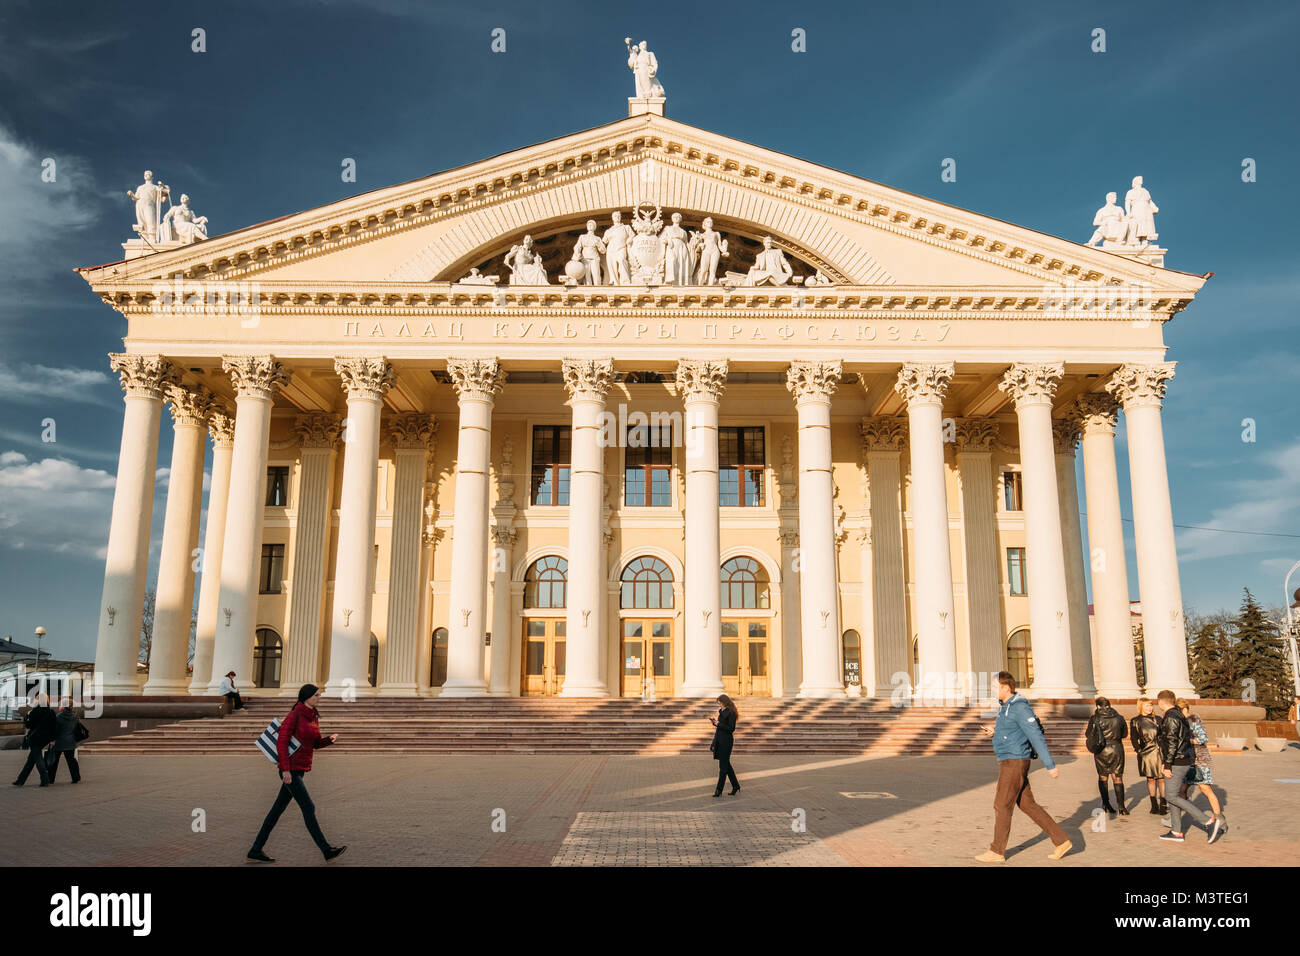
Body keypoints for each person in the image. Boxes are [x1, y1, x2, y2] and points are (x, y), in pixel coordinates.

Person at [974, 671, 1073, 862]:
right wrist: (994, 731)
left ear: (1006, 687)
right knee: (1028, 804)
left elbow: (1035, 735)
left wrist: (1050, 765)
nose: (993, 690)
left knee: (1002, 804)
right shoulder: (1006, 707)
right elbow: (1011, 731)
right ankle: (1061, 841)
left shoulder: (1019, 708)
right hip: (1010, 759)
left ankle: (996, 851)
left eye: (995, 686)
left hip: (1014, 762)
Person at [247, 684, 346, 863]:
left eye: (319, 695)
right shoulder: (295, 714)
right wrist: (285, 769)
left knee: (276, 811)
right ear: (306, 696)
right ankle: (326, 850)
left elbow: (315, 743)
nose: (319, 697)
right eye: (316, 695)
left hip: (299, 770)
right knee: (309, 807)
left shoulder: (313, 716)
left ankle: (255, 849)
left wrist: (329, 740)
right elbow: (282, 742)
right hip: (290, 770)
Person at [1155, 689, 1223, 844]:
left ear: (1160, 702)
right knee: (1174, 795)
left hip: (1176, 761)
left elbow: (1172, 743)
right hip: (1183, 759)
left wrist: (1167, 764)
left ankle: (1208, 821)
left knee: (1171, 796)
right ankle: (1176, 831)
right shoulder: (1179, 714)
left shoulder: (1171, 717)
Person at [1178, 700, 1223, 822]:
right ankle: (1179, 817)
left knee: (1205, 789)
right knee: (1182, 790)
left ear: (1184, 709)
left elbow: (1203, 739)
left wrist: (1187, 741)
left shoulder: (1193, 720)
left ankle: (1219, 817)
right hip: (1189, 761)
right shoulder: (1183, 722)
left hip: (1199, 761)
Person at [1085, 696, 1129, 816]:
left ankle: (1106, 804)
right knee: (1118, 778)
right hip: (1117, 749)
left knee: (1103, 777)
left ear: (1098, 706)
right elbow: (1124, 734)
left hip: (1101, 751)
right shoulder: (1119, 718)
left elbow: (1088, 734)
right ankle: (1122, 807)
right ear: (1109, 705)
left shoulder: (1095, 718)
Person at [1129, 697, 1166, 815]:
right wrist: (1138, 750)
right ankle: (1153, 804)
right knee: (1150, 778)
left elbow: (1164, 735)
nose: (1150, 708)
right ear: (1141, 707)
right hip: (1146, 752)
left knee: (1161, 778)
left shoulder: (1158, 719)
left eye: (1151, 705)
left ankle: (1163, 803)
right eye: (1147, 706)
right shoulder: (1135, 720)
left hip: (1159, 751)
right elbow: (1134, 737)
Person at [12, 692, 56, 787]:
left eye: (36, 698)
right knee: (31, 760)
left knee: (38, 758)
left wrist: (27, 716)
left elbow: (28, 725)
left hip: (35, 738)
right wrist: (52, 739)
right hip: (45, 739)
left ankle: (45, 779)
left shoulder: (35, 711)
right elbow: (53, 727)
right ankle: (20, 780)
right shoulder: (51, 712)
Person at [46, 697, 83, 784]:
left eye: (60, 704)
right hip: (70, 741)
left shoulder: (59, 716)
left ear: (63, 706)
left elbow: (55, 730)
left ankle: (51, 778)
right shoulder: (75, 716)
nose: (59, 706)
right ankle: (76, 777)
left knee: (54, 760)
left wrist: (52, 740)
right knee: (71, 760)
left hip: (58, 742)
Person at [708, 694, 740, 797]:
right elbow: (719, 728)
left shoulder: (731, 713)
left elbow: (731, 729)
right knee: (727, 766)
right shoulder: (721, 712)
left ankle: (718, 790)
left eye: (720, 703)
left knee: (723, 767)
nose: (719, 706)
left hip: (726, 742)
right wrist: (715, 723)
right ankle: (735, 786)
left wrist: (719, 724)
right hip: (720, 740)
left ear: (724, 702)